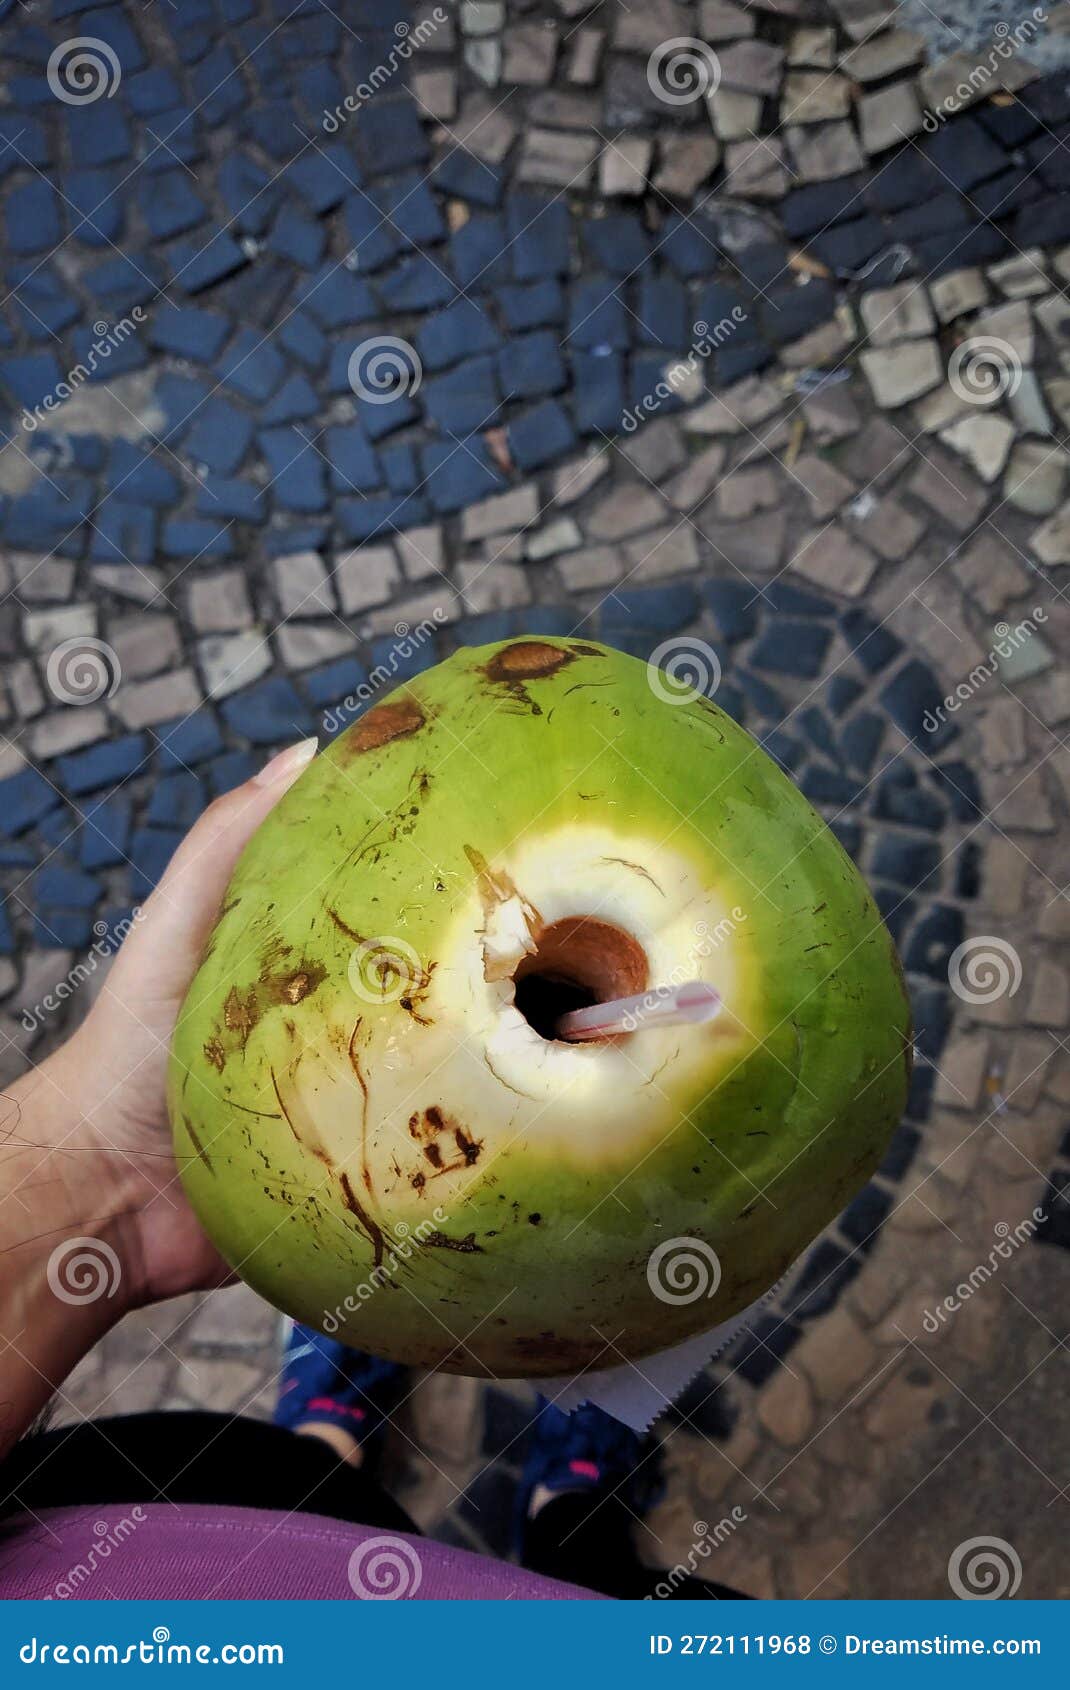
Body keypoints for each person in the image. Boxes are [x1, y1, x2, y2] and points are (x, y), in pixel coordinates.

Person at [0, 742, 743, 1600]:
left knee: (286, 1489)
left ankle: (333, 1437)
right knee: (604, 1597)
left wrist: (106, 1173)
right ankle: (570, 1513)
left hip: (167, 1550)